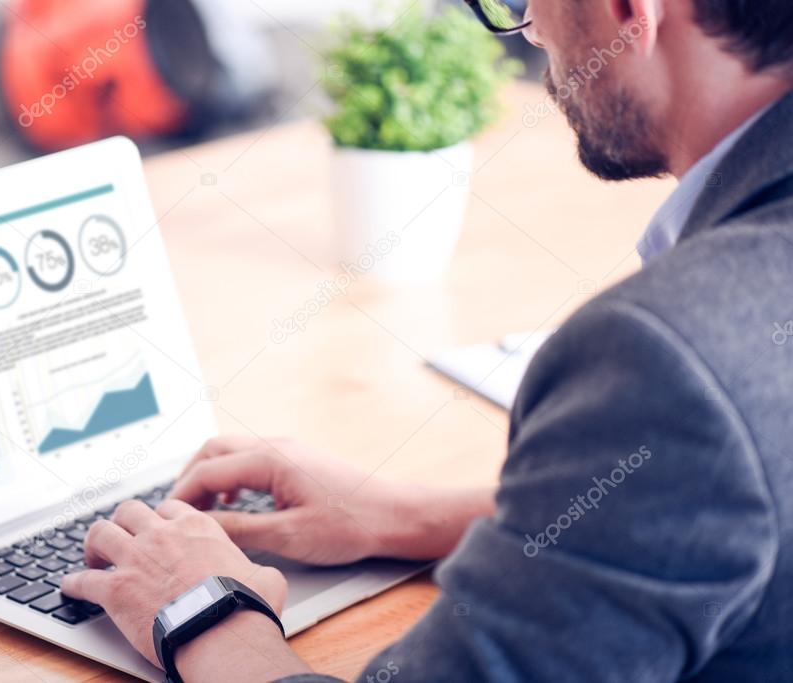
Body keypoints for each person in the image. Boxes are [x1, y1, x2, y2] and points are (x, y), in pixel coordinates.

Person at [62, 0, 793, 680]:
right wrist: (409, 515)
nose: (532, 30)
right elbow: (706, 498)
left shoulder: (667, 360)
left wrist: (201, 607)